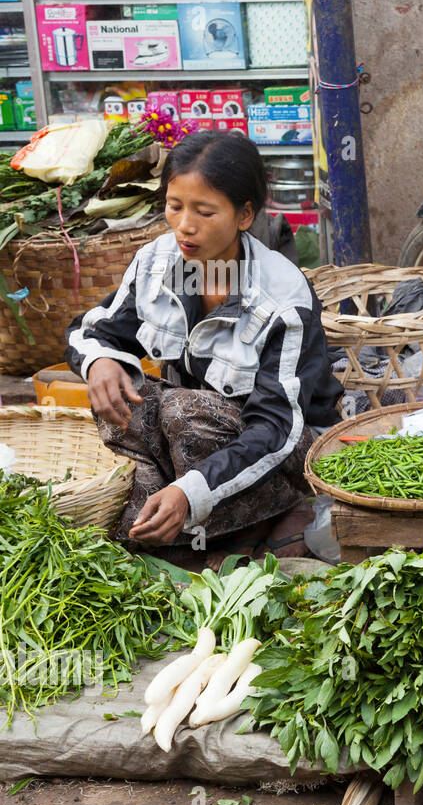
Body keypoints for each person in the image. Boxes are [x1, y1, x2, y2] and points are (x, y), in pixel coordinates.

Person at [66, 130, 341, 560]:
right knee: (122, 393)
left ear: (244, 215)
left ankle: (223, 519)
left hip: (285, 451)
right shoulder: (157, 263)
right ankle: (166, 513)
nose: (184, 225)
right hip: (192, 446)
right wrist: (100, 361)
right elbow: (94, 329)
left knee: (182, 410)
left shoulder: (281, 300)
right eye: (174, 207)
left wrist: (190, 492)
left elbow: (275, 430)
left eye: (204, 212)